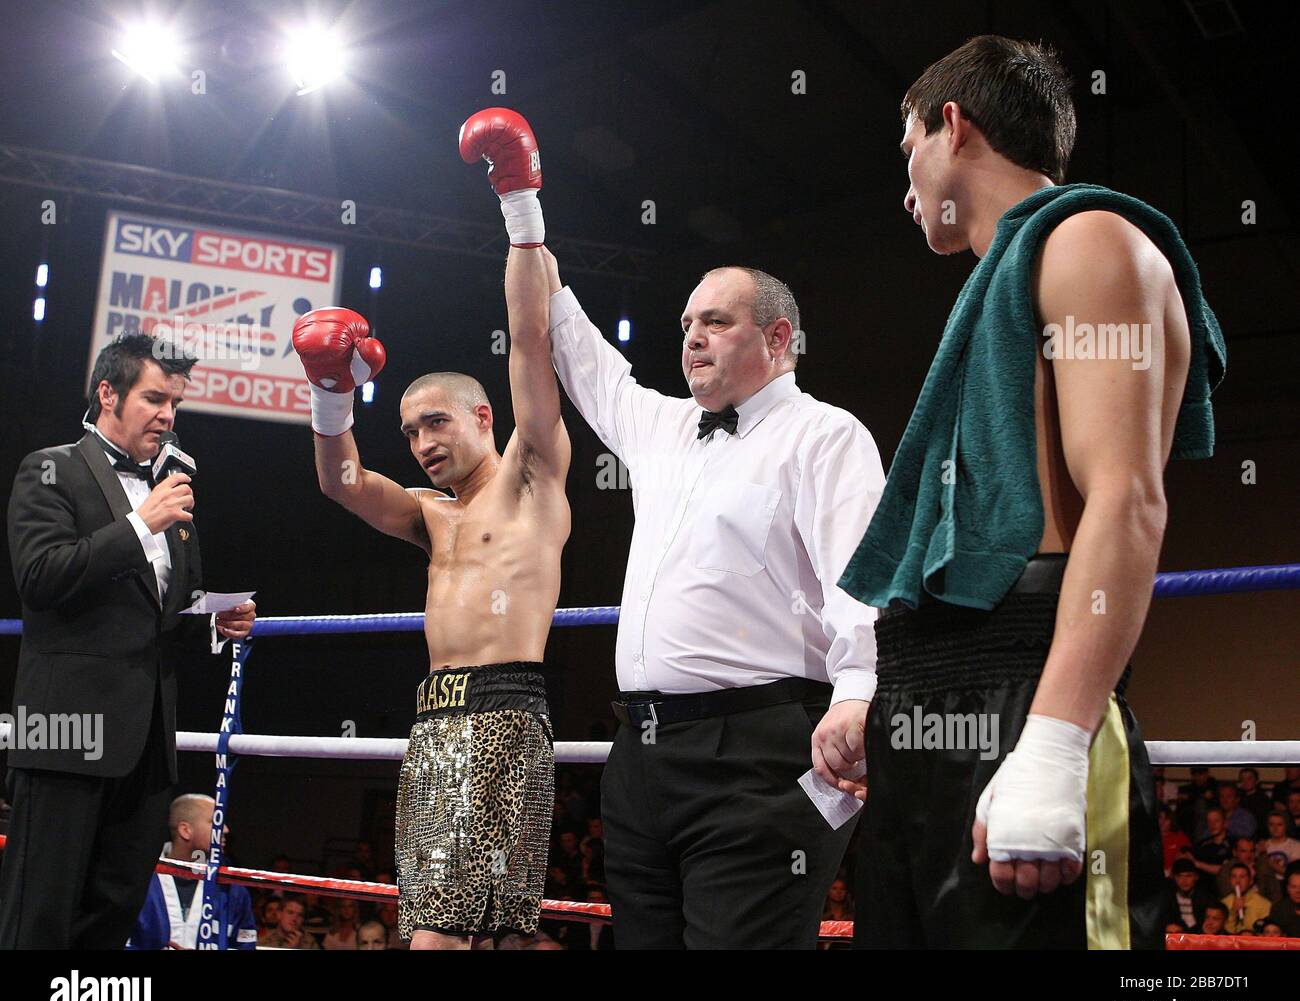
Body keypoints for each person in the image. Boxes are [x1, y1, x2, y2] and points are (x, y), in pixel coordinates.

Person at [463, 105, 887, 948]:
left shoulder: (824, 434)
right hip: (644, 758)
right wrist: (520, 199)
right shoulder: (662, 427)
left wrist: (860, 693)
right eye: (686, 323)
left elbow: (860, 577)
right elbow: (568, 341)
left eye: (714, 323)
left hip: (763, 754)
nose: (691, 337)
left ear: (776, 338)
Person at [837, 35, 1224, 950]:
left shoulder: (1088, 239)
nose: (905, 190)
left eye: (910, 152)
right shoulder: (1001, 287)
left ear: (954, 125)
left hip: (1026, 696)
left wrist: (1051, 747)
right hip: (934, 712)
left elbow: (1127, 500)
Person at [293, 172, 571, 951]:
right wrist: (329, 393)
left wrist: (518, 198)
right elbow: (341, 484)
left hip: (502, 710)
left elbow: (530, 339)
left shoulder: (529, 474)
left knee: (440, 938)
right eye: (411, 432)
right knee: (450, 928)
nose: (423, 444)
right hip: (435, 715)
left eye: (437, 423)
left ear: (484, 417)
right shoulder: (430, 513)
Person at [0, 334, 255, 950]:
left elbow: (152, 614)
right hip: (61, 729)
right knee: (40, 910)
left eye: (176, 403)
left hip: (144, 740)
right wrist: (142, 524)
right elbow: (40, 577)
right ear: (108, 393)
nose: (168, 415)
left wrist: (211, 623)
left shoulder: (174, 486)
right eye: (155, 398)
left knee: (113, 910)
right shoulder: (50, 467)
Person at [127, 794, 256, 950]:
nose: (226, 829)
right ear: (185, 830)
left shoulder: (233, 890)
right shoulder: (139, 879)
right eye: (215, 821)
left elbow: (245, 946)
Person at [1219, 862, 1271, 936]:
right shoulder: (1224, 903)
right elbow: (1226, 932)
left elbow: (1265, 932)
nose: (1238, 881)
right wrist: (1233, 912)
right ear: (1230, 880)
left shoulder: (1264, 904)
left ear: (1250, 881)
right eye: (1234, 877)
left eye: (1242, 877)